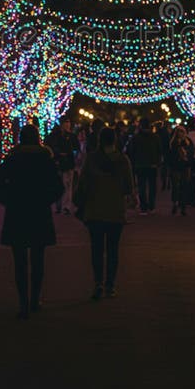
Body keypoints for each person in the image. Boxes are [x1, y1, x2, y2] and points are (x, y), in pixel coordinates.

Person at [0, 124, 64, 319]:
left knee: (20, 261)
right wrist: (45, 200)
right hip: (39, 213)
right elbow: (58, 187)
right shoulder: (45, 159)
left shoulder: (12, 158)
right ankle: (35, 299)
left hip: (17, 213)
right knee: (38, 258)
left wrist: (10, 200)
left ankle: (23, 301)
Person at [74, 126, 134, 300]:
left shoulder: (92, 160)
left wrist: (79, 202)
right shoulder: (123, 160)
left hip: (95, 210)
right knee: (113, 250)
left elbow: (82, 185)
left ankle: (98, 283)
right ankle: (110, 285)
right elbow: (128, 187)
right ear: (114, 140)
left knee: (97, 249)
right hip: (115, 211)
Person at [46, 114, 80, 215]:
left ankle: (66, 206)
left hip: (68, 163)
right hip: (58, 163)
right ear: (61, 124)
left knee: (67, 185)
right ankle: (58, 205)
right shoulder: (54, 136)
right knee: (58, 184)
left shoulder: (72, 136)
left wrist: (72, 154)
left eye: (68, 122)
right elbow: (50, 146)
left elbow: (76, 148)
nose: (68, 124)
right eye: (66, 122)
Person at [129, 116, 162, 215]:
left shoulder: (136, 137)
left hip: (140, 164)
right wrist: (157, 162)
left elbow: (131, 151)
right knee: (152, 186)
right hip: (152, 164)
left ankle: (143, 207)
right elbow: (159, 150)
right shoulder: (155, 137)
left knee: (142, 186)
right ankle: (151, 206)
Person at [167, 125, 194, 215]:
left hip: (185, 166)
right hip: (176, 166)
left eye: (182, 131)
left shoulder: (188, 142)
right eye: (179, 131)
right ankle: (175, 203)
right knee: (176, 186)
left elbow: (191, 153)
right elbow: (170, 155)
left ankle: (183, 206)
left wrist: (187, 158)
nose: (180, 133)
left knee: (184, 186)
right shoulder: (173, 142)